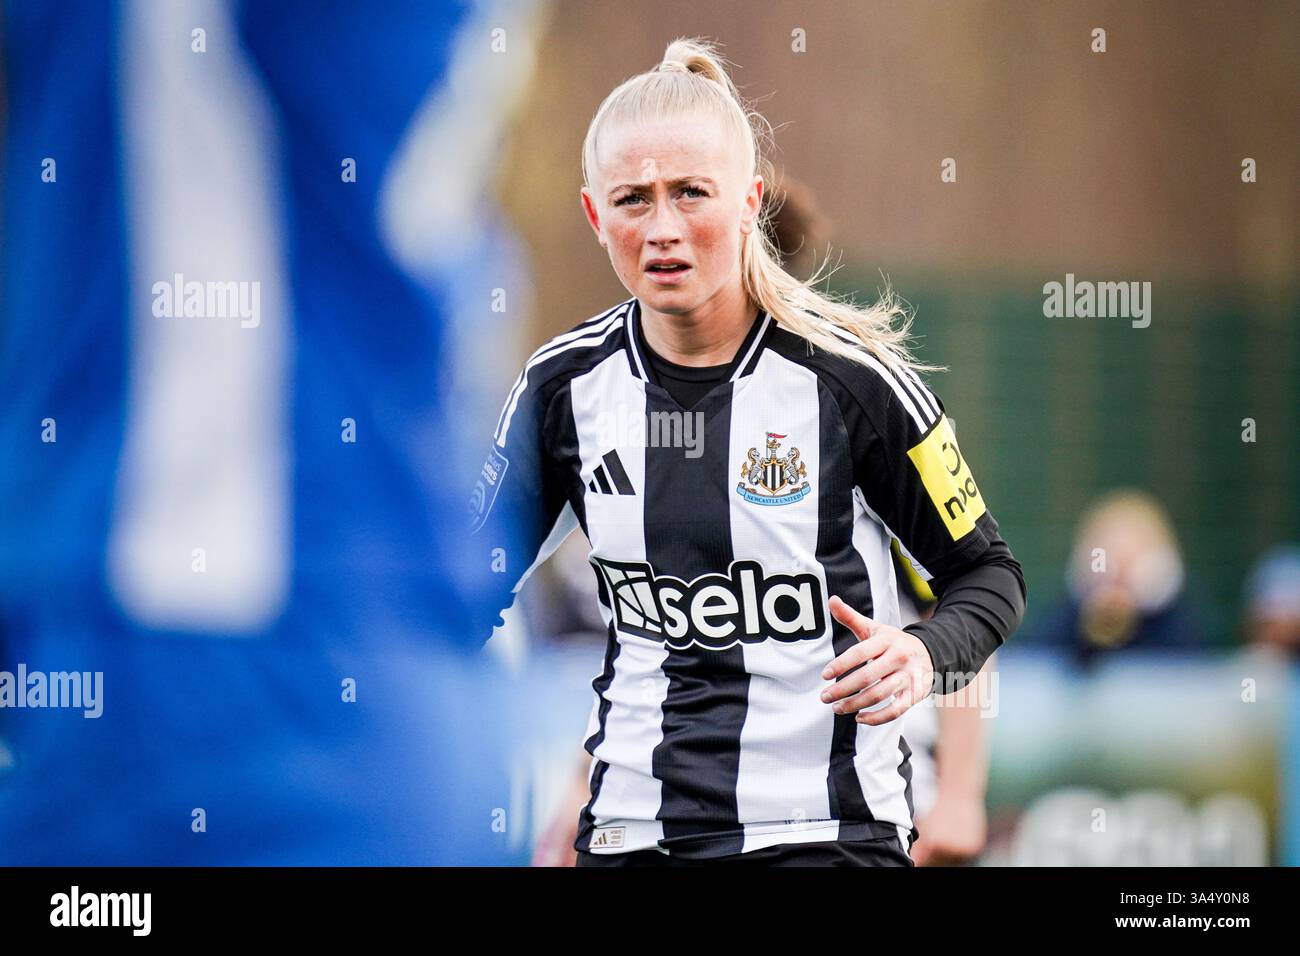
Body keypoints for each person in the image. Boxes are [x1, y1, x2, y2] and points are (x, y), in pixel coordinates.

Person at [470, 37, 1026, 866]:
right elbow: (460, 590)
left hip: (827, 834)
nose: (662, 229)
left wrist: (921, 656)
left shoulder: (855, 384)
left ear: (748, 201)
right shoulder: (562, 389)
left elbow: (988, 575)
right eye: (633, 200)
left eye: (691, 193)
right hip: (631, 831)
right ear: (594, 215)